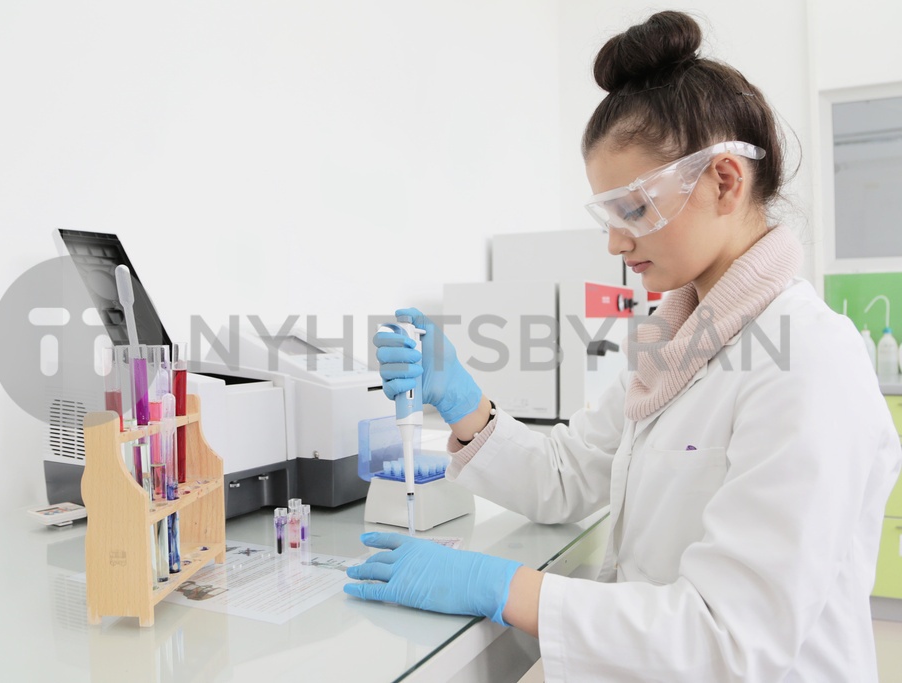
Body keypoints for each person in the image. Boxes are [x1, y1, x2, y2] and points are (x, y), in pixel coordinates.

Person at [343, 10, 902, 682]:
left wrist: (503, 586)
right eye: (607, 214)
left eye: (633, 210)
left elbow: (728, 638)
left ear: (725, 181)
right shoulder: (676, 343)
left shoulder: (810, 362)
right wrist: (462, 400)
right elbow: (566, 474)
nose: (614, 242)